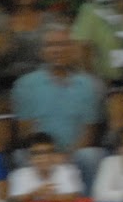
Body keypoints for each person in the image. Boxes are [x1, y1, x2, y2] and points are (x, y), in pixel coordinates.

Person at [12, 26, 107, 181]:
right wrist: (47, 156)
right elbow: (25, 131)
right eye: (51, 45)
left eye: (63, 44)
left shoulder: (88, 85)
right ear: (42, 51)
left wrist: (66, 157)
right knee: (19, 157)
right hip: (39, 153)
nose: (58, 50)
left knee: (90, 156)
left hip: (75, 153)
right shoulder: (25, 84)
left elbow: (89, 133)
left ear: (72, 49)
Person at [8, 131, 86, 202]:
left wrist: (53, 197)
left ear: (55, 154)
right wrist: (34, 194)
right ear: (29, 158)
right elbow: (13, 201)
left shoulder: (68, 170)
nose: (44, 157)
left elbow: (75, 196)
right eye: (37, 153)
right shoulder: (19, 175)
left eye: (48, 152)